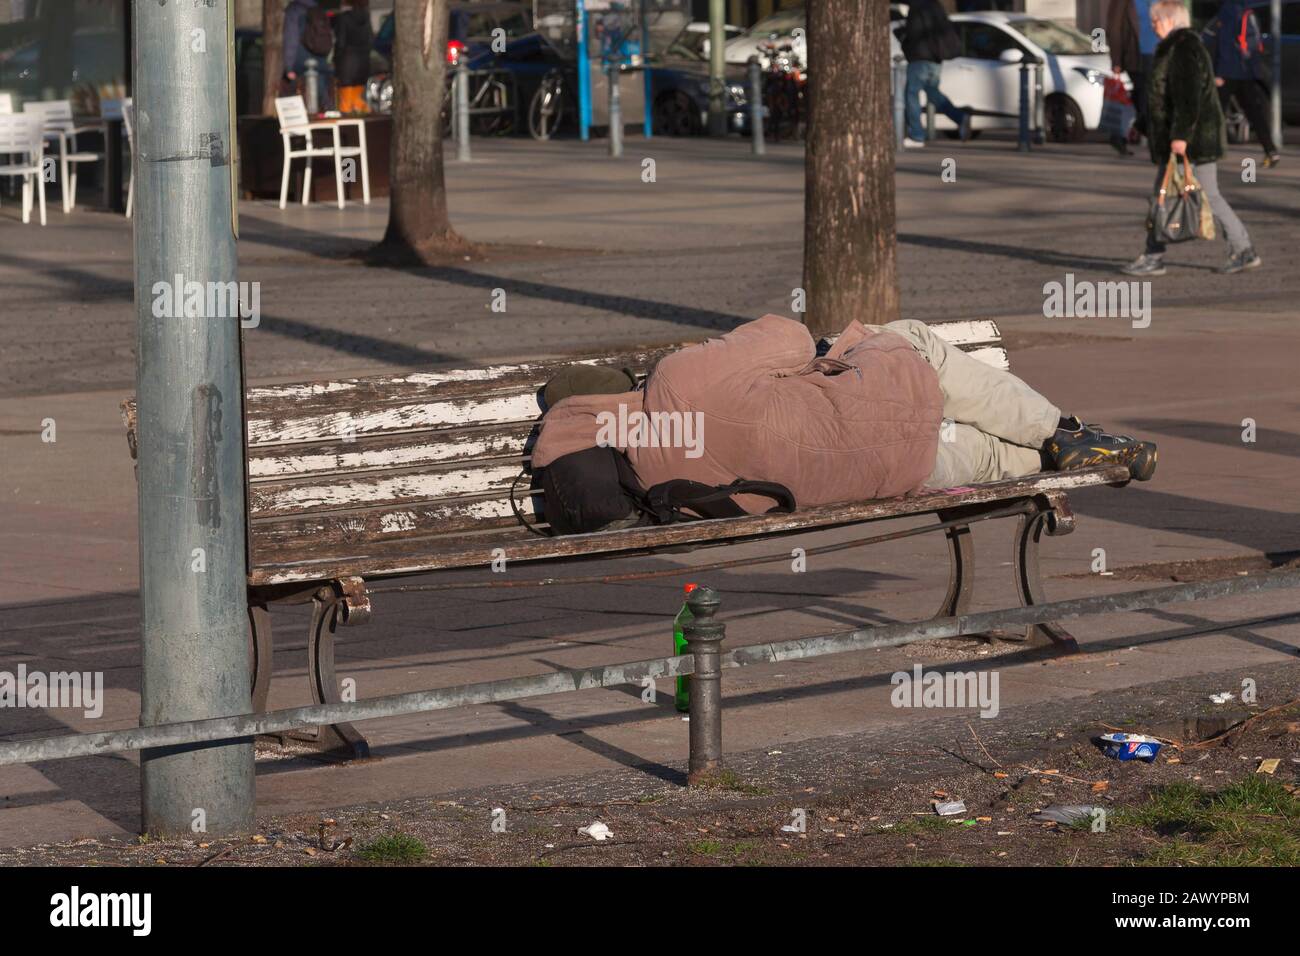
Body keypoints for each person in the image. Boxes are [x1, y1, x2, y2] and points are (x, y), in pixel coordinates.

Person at [532, 315, 1156, 531]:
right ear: (616, 391)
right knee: (910, 342)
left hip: (893, 472)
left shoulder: (669, 495)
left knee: (983, 457)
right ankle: (1064, 434)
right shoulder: (675, 382)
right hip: (873, 406)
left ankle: (1048, 456)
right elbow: (791, 337)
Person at [1122, 0, 1260, 277]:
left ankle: (1158, 255)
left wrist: (1181, 135)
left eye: (1156, 20)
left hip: (1192, 141)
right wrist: (1143, 124)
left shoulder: (1183, 48)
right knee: (1168, 196)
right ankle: (1155, 254)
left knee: (1201, 196)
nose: (1153, 25)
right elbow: (1164, 99)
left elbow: (1188, 97)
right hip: (1184, 139)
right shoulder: (1176, 47)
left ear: (1171, 20)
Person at [1202, 0, 1280, 166]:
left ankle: (1210, 152)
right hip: (1246, 71)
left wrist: (1217, 73)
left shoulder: (1226, 12)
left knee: (1216, 113)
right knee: (1254, 113)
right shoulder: (1245, 10)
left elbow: (1220, 43)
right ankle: (1270, 150)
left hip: (1227, 72)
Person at [900, 0, 972, 149]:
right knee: (933, 93)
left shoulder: (917, 7)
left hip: (920, 57)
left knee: (911, 94)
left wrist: (905, 45)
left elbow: (913, 33)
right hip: (936, 57)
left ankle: (917, 135)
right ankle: (960, 117)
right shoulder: (936, 5)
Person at [1106, 0, 1160, 155]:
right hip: (1136, 55)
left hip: (1159, 52)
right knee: (1147, 98)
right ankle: (1153, 138)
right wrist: (1116, 60)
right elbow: (1113, 28)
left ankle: (1119, 135)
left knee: (1142, 98)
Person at [283, 0, 334, 112]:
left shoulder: (294, 10)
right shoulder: (318, 8)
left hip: (301, 61)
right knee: (323, 97)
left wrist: (289, 66)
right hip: (319, 59)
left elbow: (291, 38)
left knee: (292, 98)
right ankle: (330, 116)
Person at [333, 0, 374, 115]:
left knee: (346, 104)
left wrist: (336, 59)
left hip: (347, 63)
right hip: (363, 62)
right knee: (358, 102)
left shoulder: (343, 18)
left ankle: (347, 130)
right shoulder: (366, 17)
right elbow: (370, 39)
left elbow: (340, 42)